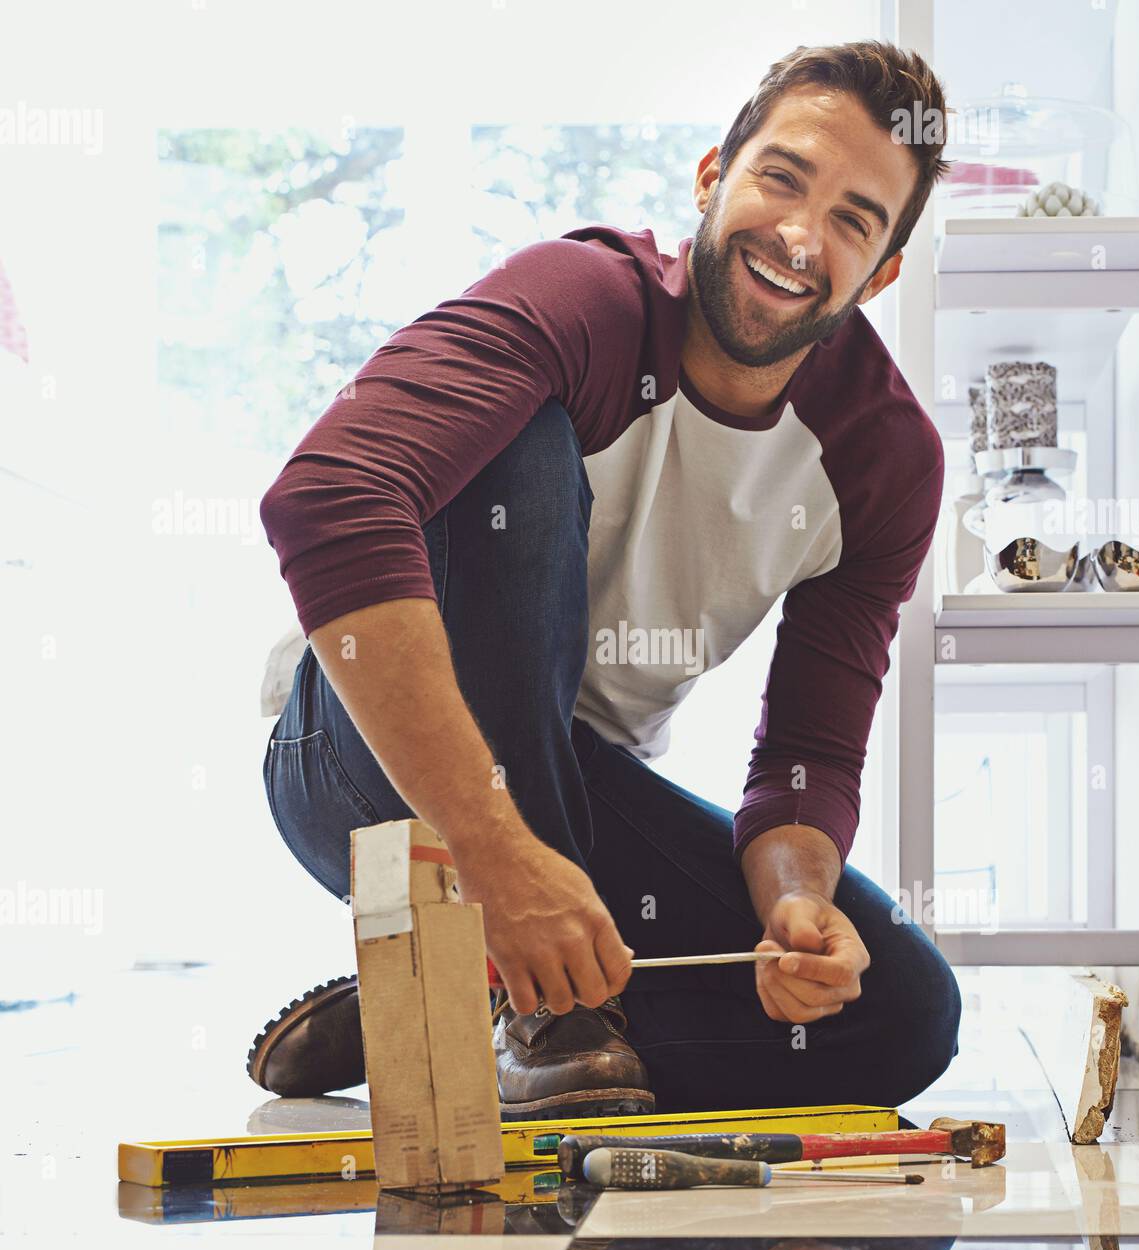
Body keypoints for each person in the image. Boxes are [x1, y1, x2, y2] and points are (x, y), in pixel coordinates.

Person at [251, 40, 962, 1119]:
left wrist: (797, 907)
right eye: (782, 178)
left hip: (579, 795)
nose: (801, 235)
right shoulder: (581, 300)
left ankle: (454, 993)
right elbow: (328, 495)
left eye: (856, 221)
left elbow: (810, 755)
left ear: (882, 274)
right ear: (712, 179)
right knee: (514, 448)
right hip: (357, 758)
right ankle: (524, 993)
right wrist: (499, 865)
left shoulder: (881, 457)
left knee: (895, 1013)